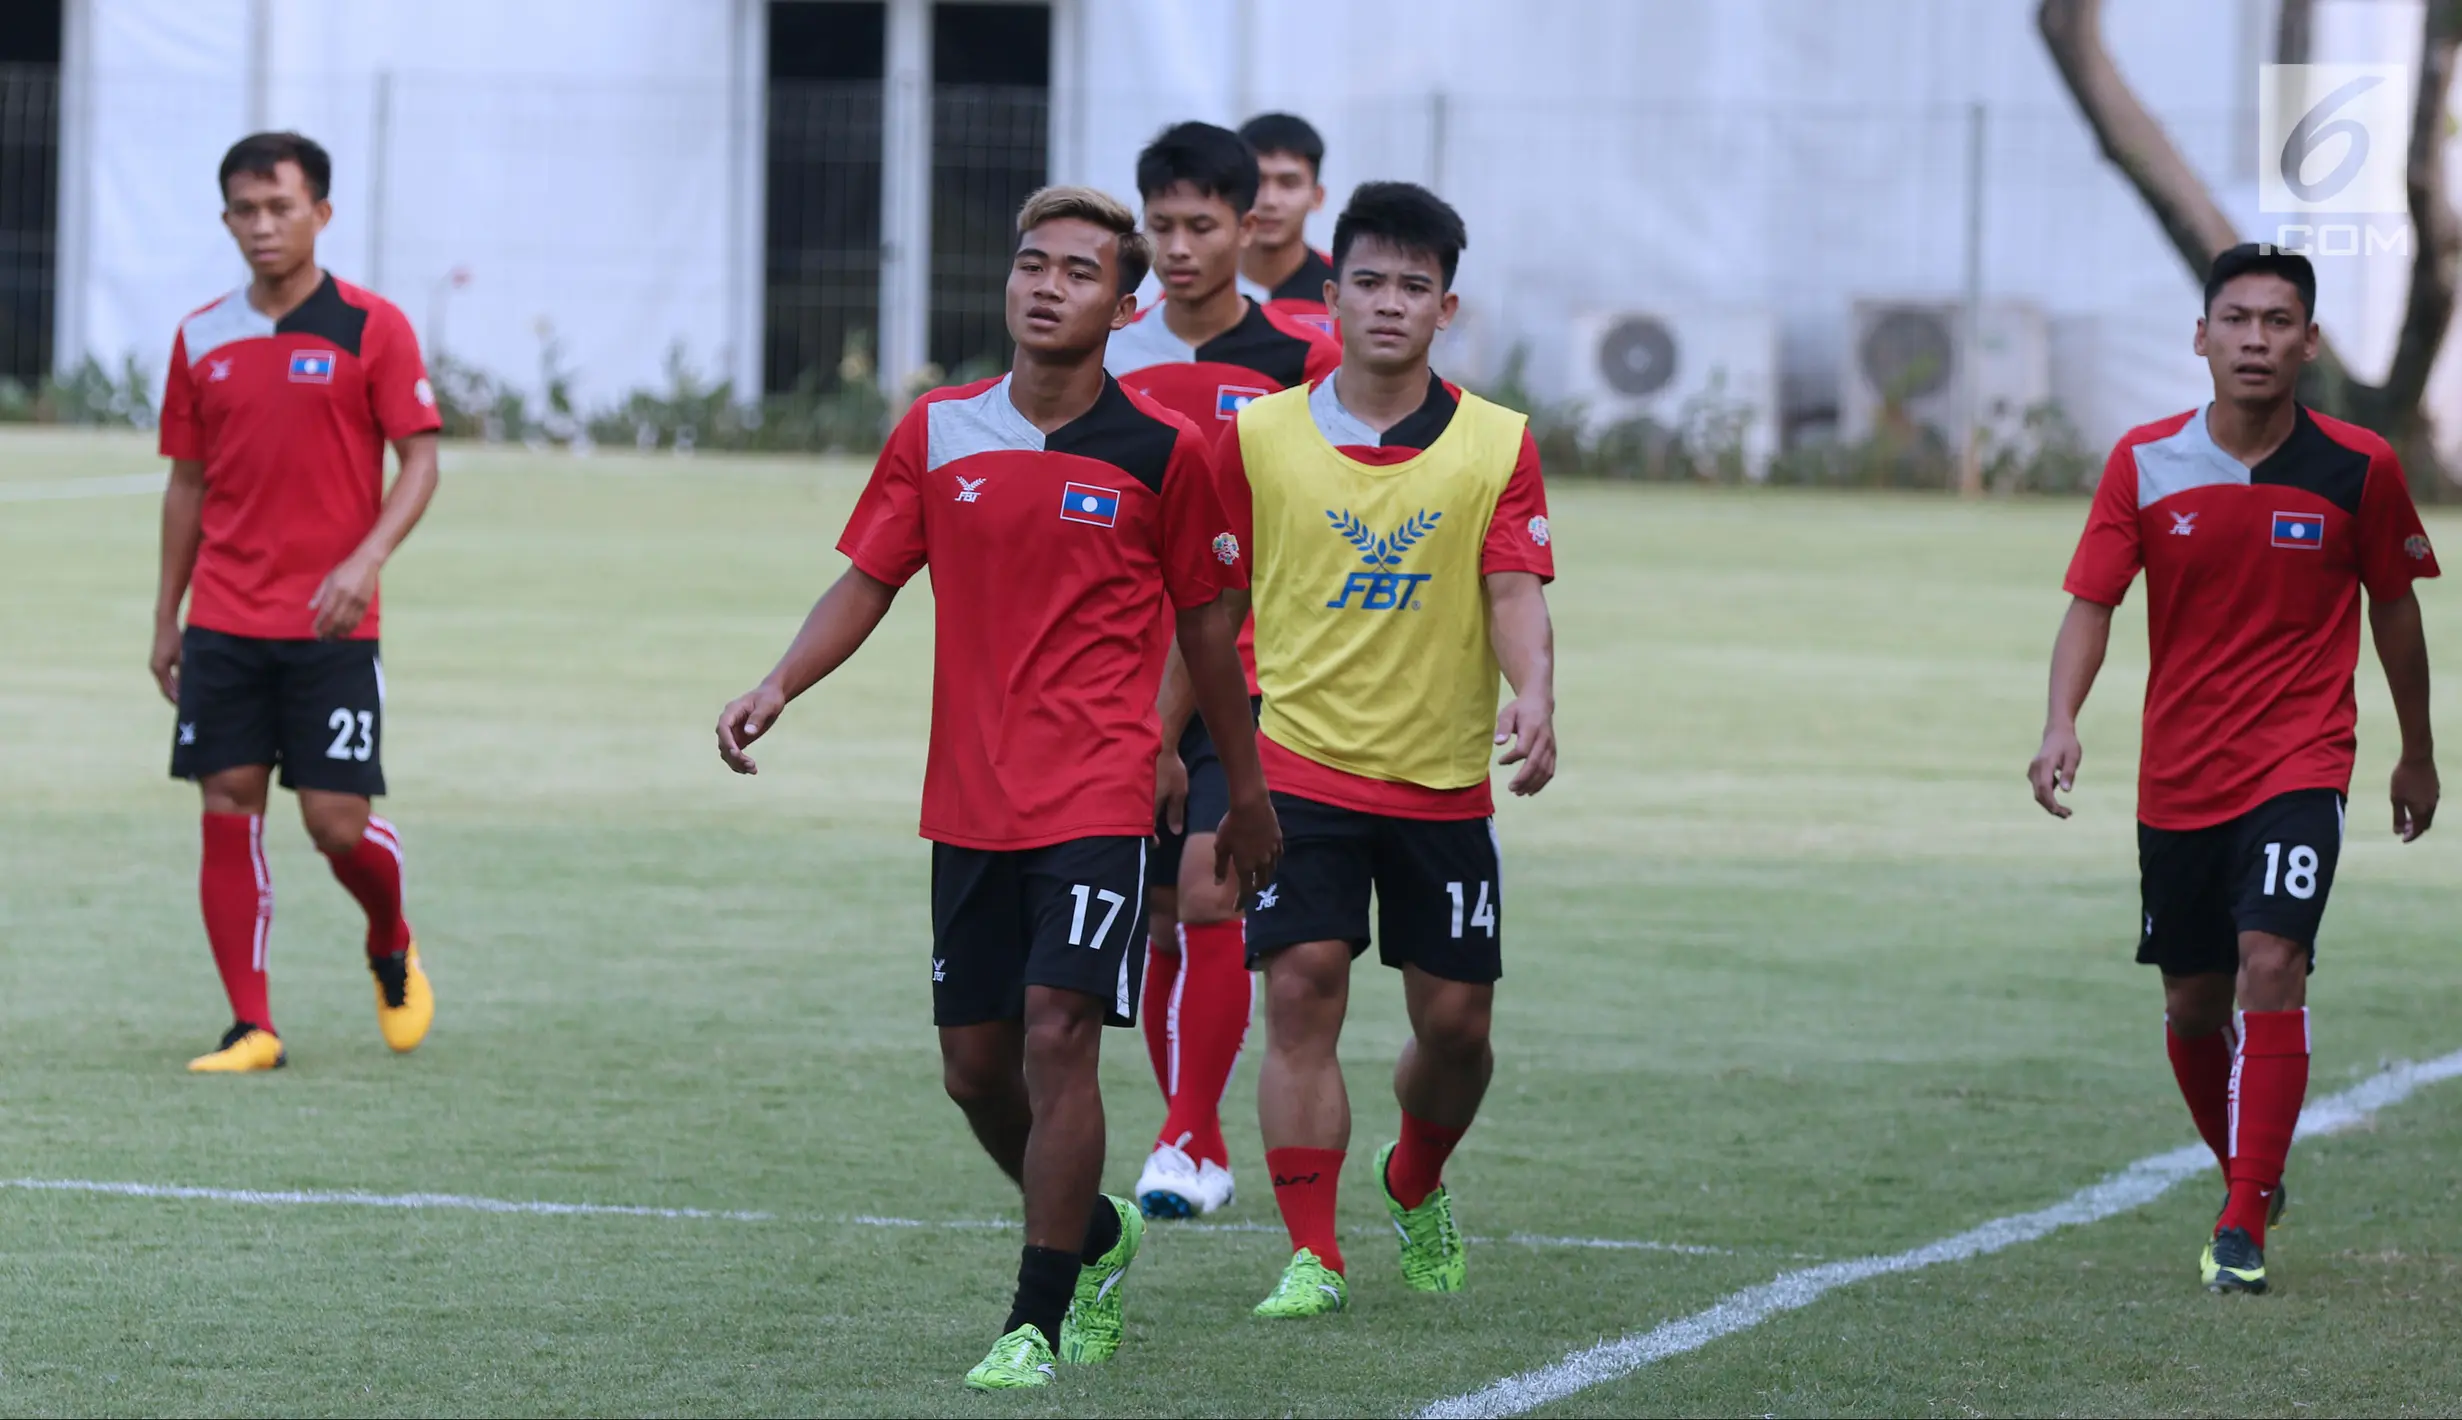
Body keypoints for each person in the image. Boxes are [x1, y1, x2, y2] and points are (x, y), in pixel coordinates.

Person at [714, 185, 1280, 1390]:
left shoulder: (1165, 455)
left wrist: (1245, 792)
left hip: (1099, 797)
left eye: (1078, 272)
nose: (1045, 286)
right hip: (967, 802)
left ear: (1123, 308)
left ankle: (1032, 1315)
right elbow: (868, 579)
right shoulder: (938, 430)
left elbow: (1207, 629)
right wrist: (778, 682)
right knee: (974, 1071)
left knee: (1057, 1032)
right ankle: (1096, 1233)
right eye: (1031, 264)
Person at [2028, 244, 2439, 1296]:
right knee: (2193, 1001)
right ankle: (2244, 1170)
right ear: (2200, 337)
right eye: (2236, 320)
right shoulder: (2142, 461)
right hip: (2177, 774)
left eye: (2276, 321)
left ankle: (2240, 1220)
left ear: (2307, 341)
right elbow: (2091, 603)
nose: (2254, 339)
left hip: (2301, 762)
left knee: (2271, 958)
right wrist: (2058, 721)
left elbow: (2394, 607)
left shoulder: (2359, 467)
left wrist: (2414, 750)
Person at [1213, 182, 1556, 1317]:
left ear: (1446, 307)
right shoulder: (1258, 435)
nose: (1389, 303)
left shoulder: (1494, 441)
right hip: (1297, 770)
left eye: (1414, 286)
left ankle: (1413, 1177)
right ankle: (1312, 1251)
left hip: (1442, 784)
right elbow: (1205, 603)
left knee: (1454, 1030)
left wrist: (1535, 691)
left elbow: (1512, 587)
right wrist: (1172, 744)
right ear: (1330, 293)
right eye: (1368, 280)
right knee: (1301, 991)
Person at [155, 131, 443, 1073]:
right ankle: (252, 1025)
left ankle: (389, 940)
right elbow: (187, 486)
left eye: (282, 207)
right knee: (227, 803)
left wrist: (365, 561)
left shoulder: (373, 327)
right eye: (246, 209)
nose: (263, 225)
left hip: (331, 625)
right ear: (227, 218)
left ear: (321, 213)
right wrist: (168, 616)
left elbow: (422, 462)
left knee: (335, 826)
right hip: (226, 618)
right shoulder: (201, 336)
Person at [1105, 119, 1337, 1222]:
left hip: (1250, 674)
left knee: (1211, 884)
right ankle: (1188, 1135)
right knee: (1156, 919)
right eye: (1160, 226)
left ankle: (1185, 1130)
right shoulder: (1112, 352)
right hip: (1120, 672)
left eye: (1202, 225)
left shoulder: (1304, 362)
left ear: (1251, 226)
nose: (1179, 247)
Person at [1235, 112, 1334, 331]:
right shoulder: (1194, 289)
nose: (1270, 201)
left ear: (1317, 197)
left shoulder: (1347, 290)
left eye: (1289, 183)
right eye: (1257, 182)